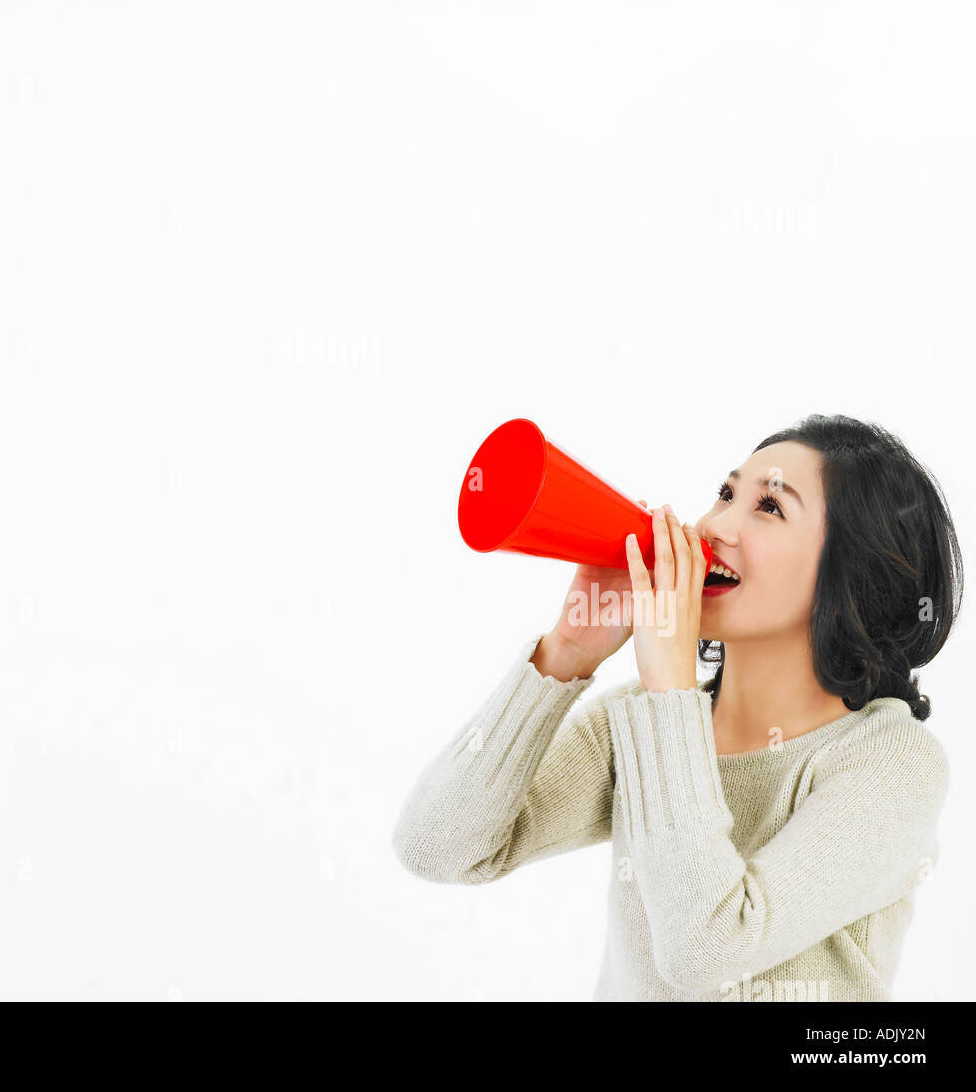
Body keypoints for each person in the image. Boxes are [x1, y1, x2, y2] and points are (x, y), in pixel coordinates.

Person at [393, 414, 961, 1001]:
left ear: (853, 574)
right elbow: (436, 846)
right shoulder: (639, 720)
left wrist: (669, 686)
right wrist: (565, 653)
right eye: (725, 494)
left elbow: (705, 949)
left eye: (769, 508)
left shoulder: (891, 763)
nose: (715, 527)